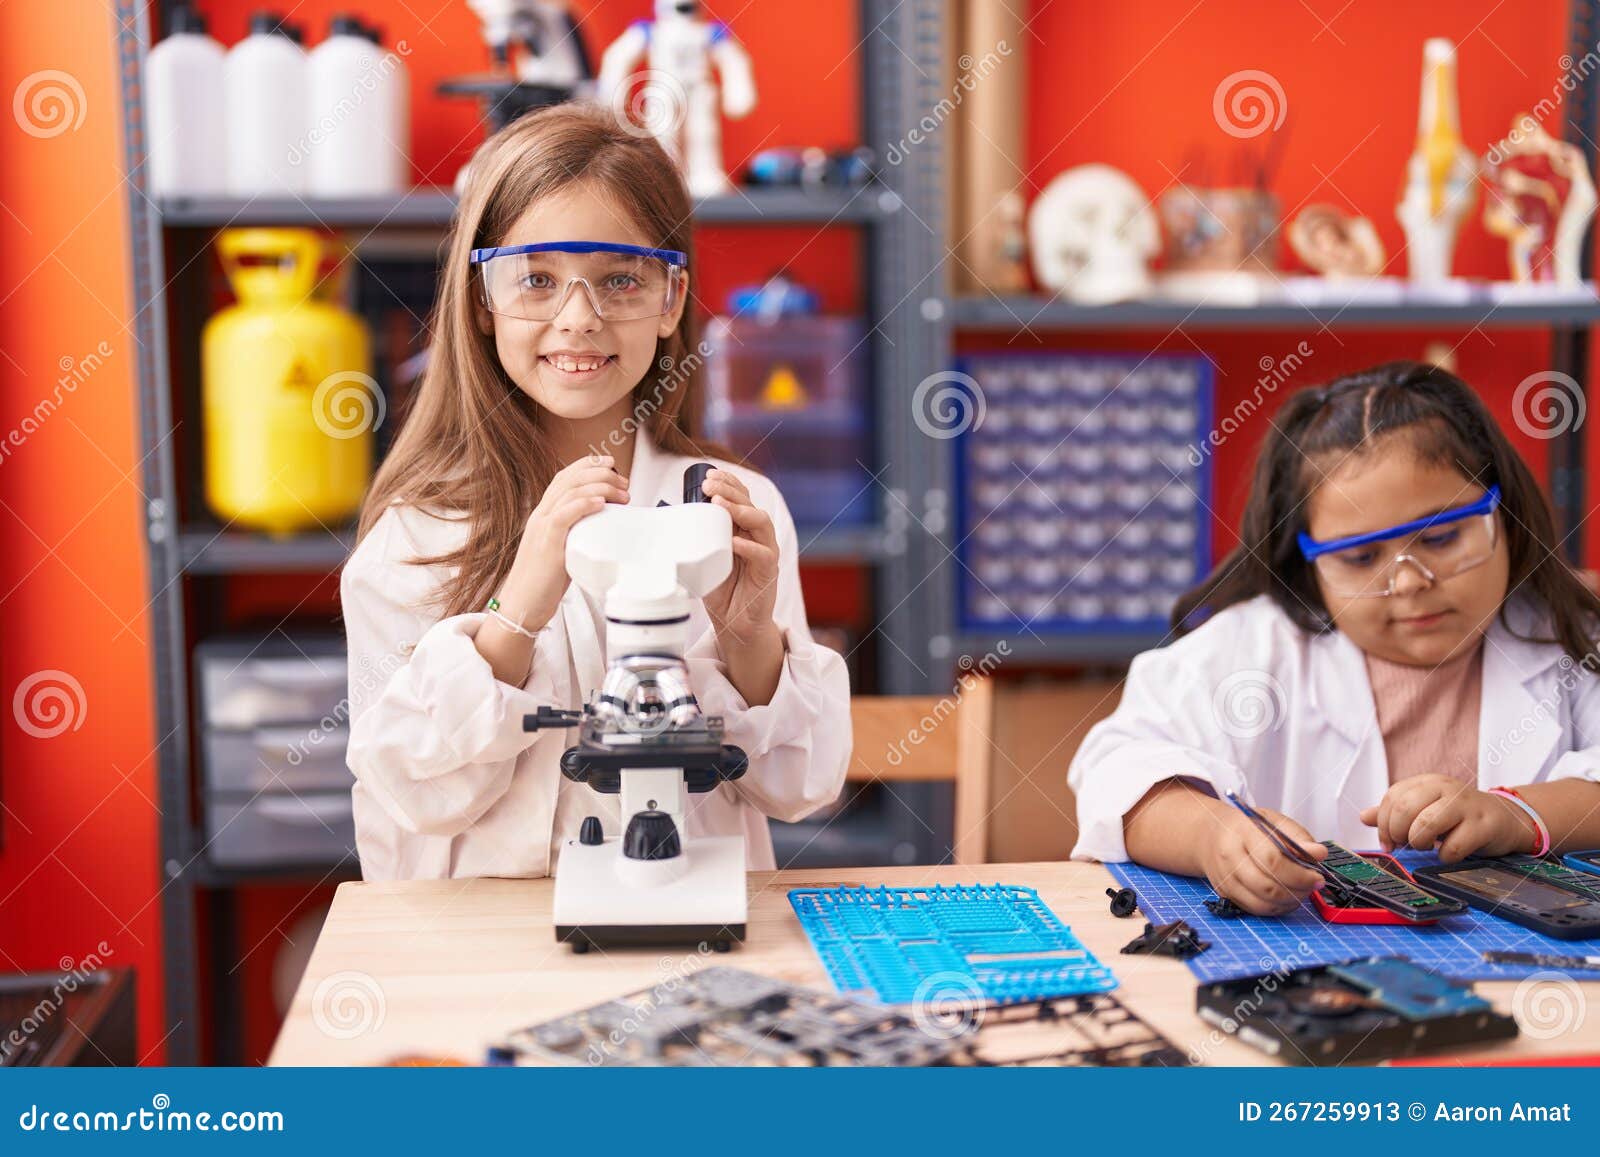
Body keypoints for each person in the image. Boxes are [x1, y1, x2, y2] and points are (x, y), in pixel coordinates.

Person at [340, 103, 850, 881]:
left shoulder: (734, 509)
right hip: (484, 964)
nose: (579, 319)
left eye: (620, 280)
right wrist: (518, 612)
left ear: (672, 298)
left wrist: (750, 640)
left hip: (688, 928)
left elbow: (799, 786)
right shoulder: (417, 539)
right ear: (481, 298)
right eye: (537, 280)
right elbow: (413, 792)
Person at [1069, 361, 1600, 914]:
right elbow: (1118, 772)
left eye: (1442, 537)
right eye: (1360, 558)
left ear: (1504, 517)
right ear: (1310, 566)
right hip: (1304, 964)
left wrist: (1518, 817)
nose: (1410, 582)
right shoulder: (1249, 649)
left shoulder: (1572, 637)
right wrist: (1212, 837)